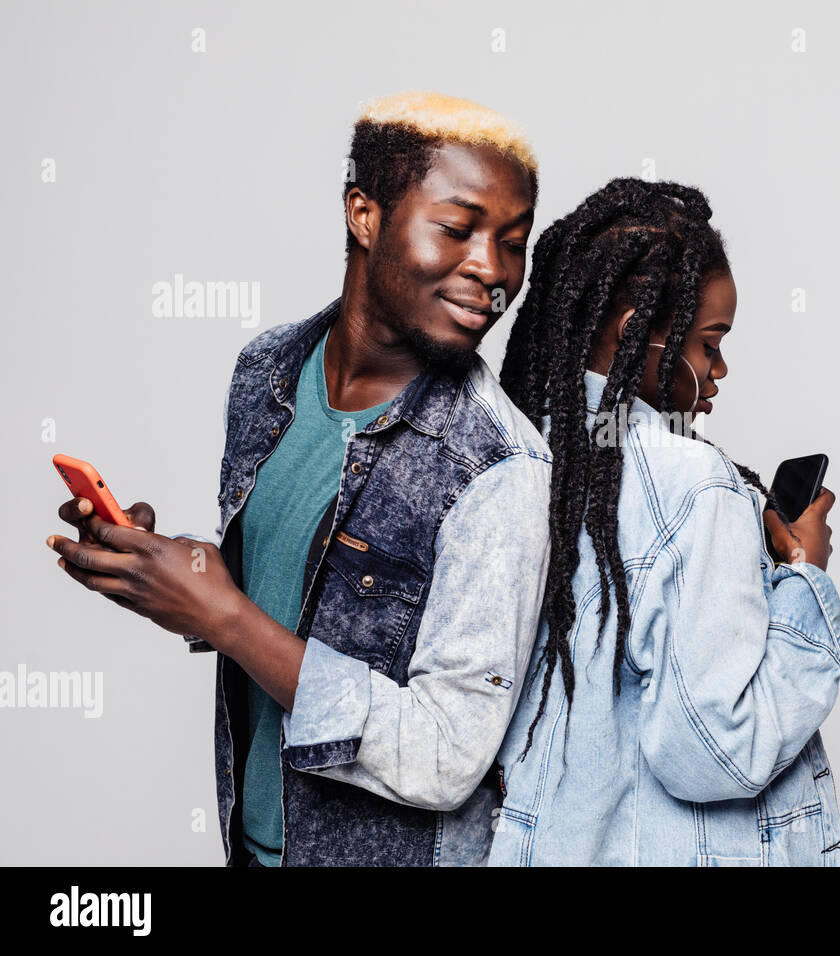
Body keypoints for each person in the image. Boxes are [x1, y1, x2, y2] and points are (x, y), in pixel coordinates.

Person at [46, 91, 552, 866]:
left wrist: (223, 617)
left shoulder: (498, 469)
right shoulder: (268, 373)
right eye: (457, 229)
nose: (491, 272)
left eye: (512, 243)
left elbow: (449, 755)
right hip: (253, 844)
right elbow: (291, 609)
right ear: (365, 214)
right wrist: (171, 578)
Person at [489, 178, 840, 866]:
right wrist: (804, 581)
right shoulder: (695, 487)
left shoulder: (524, 451)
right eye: (708, 342)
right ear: (633, 326)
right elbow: (714, 751)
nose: (719, 370)